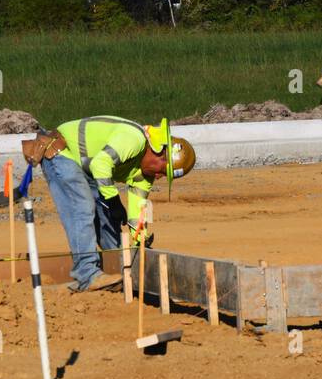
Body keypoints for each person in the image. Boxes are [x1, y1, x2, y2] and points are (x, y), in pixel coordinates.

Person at [22, 117, 196, 292]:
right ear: (160, 153)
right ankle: (87, 275)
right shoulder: (134, 139)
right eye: (162, 171)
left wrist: (140, 240)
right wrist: (114, 201)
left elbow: (138, 215)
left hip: (86, 165)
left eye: (165, 176)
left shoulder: (145, 177)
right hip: (61, 152)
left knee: (108, 216)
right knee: (82, 207)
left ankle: (120, 269)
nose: (159, 177)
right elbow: (100, 164)